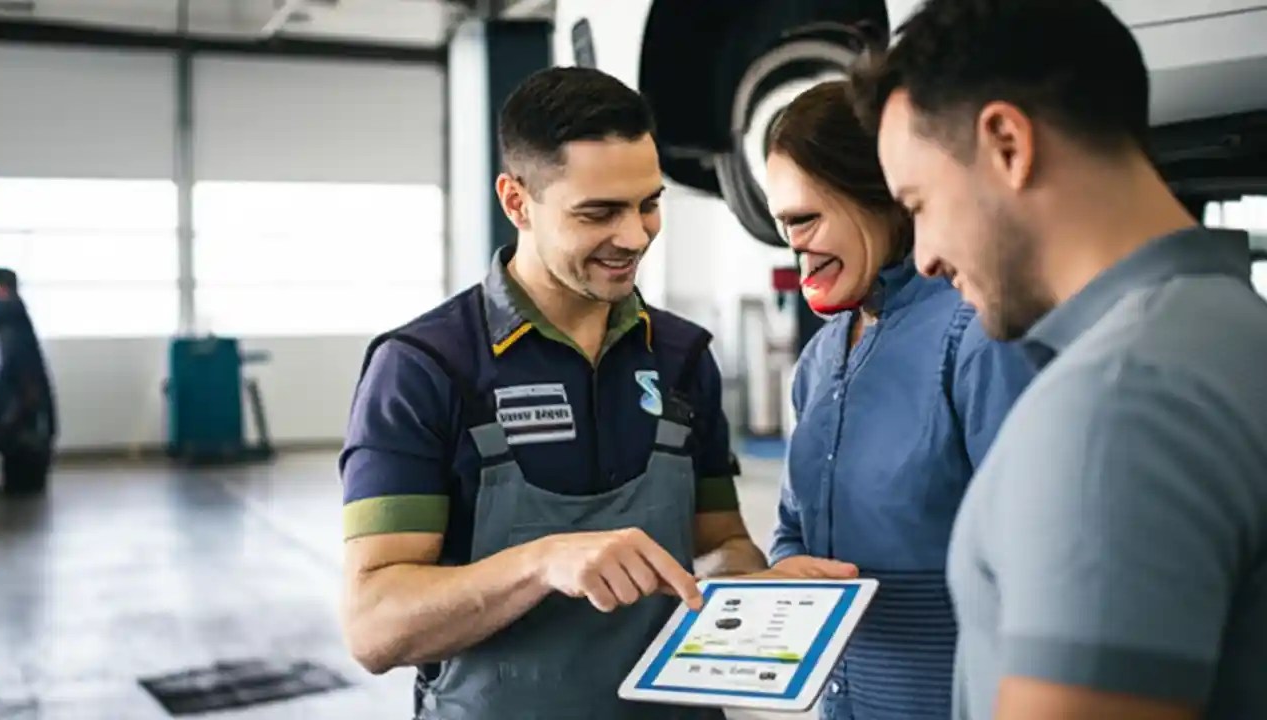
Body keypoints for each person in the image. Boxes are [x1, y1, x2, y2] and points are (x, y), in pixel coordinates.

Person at [850, 1, 1267, 719]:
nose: (922, 258)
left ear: (1007, 143)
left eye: (917, 204)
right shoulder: (1231, 331)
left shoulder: (1116, 405)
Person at [339, 66, 767, 719]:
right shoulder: (425, 369)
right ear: (517, 202)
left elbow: (720, 544)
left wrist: (760, 594)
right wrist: (540, 564)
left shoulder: (682, 359)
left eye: (648, 204)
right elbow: (373, 628)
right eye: (599, 213)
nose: (634, 236)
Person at [757, 81, 1033, 720]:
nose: (793, 244)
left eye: (804, 218)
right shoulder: (821, 359)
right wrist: (790, 570)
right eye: (782, 225)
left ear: (878, 195)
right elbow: (793, 529)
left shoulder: (976, 334)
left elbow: (1035, 560)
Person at [0, 268, 56, 495]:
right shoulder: (16, 315)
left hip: (20, 399)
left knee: (17, 442)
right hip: (22, 398)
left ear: (3, 288)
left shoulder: (10, 309)